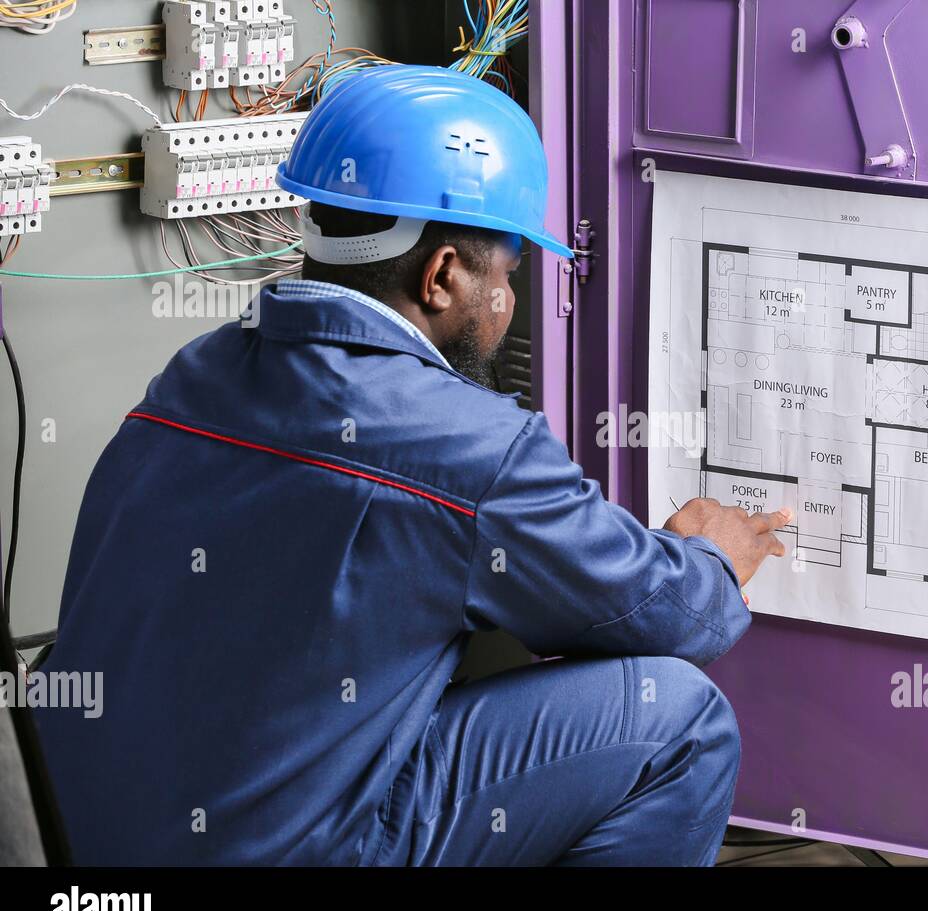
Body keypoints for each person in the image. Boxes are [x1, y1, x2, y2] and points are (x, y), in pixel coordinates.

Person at [34, 66, 789, 866]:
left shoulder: (195, 373)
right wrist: (710, 557)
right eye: (505, 276)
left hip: (78, 841)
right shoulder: (471, 444)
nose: (507, 302)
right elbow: (667, 619)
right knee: (676, 721)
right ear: (442, 276)